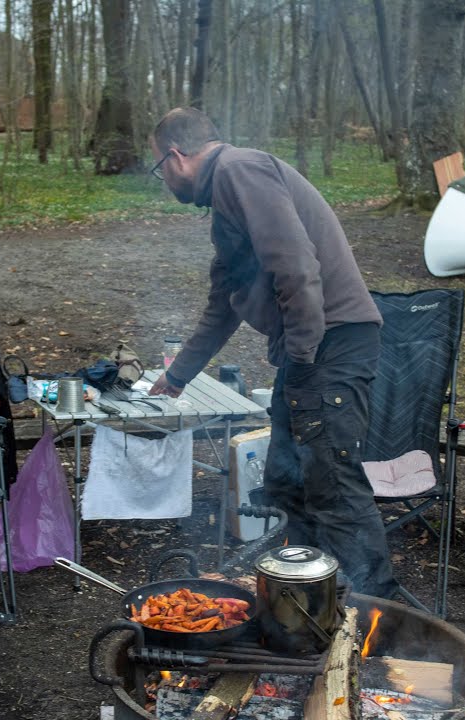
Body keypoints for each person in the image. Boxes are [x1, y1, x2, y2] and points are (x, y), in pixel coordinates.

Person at [147, 107, 398, 599]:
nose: (164, 180)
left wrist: (301, 356)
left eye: (159, 168)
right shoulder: (228, 196)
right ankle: (305, 600)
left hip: (329, 347)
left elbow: (298, 268)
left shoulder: (240, 170)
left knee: (333, 487)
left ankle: (377, 611)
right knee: (290, 484)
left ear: (176, 156)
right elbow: (223, 303)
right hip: (309, 353)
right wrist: (177, 376)